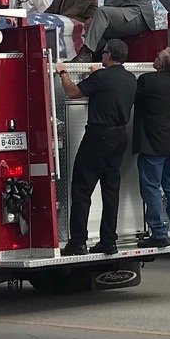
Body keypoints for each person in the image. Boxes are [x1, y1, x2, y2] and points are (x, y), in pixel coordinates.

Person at [54, 39, 137, 256]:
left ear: (110, 56)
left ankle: (78, 242)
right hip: (120, 136)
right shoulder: (130, 78)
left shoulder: (101, 77)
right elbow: (108, 86)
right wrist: (95, 74)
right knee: (111, 191)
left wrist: (63, 73)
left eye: (104, 53)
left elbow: (73, 93)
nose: (101, 55)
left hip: (98, 136)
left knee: (82, 189)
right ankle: (108, 241)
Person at [132, 47, 170, 246]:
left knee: (151, 187)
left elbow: (134, 98)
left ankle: (158, 233)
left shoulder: (148, 81)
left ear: (161, 63)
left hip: (152, 142)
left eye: (157, 56)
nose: (154, 57)